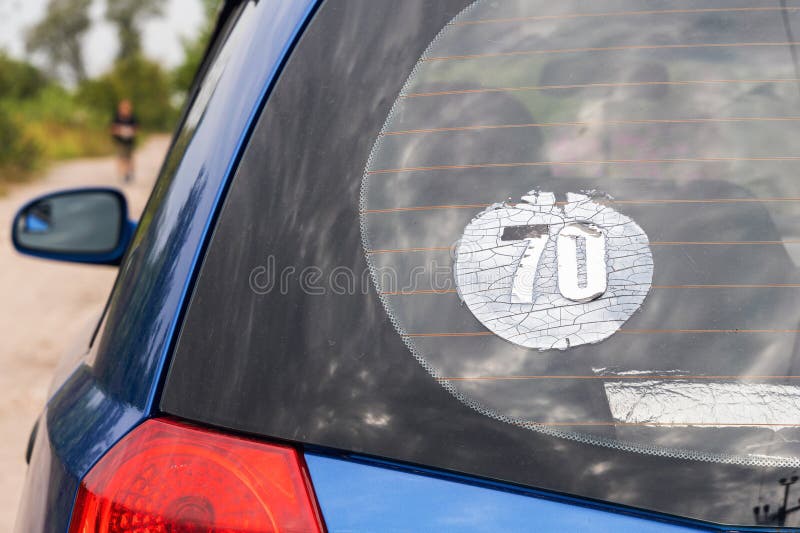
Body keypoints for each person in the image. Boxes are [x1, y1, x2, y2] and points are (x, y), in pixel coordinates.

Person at [111, 99, 138, 183]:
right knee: (121, 158)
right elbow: (112, 128)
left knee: (129, 158)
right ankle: (123, 174)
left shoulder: (132, 117)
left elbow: (136, 128)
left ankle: (130, 173)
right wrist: (120, 131)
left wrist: (130, 131)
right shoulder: (117, 117)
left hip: (129, 141)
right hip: (120, 141)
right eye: (123, 107)